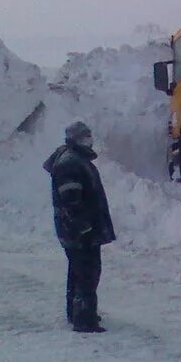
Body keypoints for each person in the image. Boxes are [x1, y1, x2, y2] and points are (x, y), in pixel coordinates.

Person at [43, 121, 116, 333]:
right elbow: (71, 200)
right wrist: (84, 227)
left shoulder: (75, 159)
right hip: (79, 231)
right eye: (86, 135)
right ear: (76, 139)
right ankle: (84, 318)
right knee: (87, 272)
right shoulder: (70, 163)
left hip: (77, 230)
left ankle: (77, 312)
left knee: (79, 271)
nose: (89, 139)